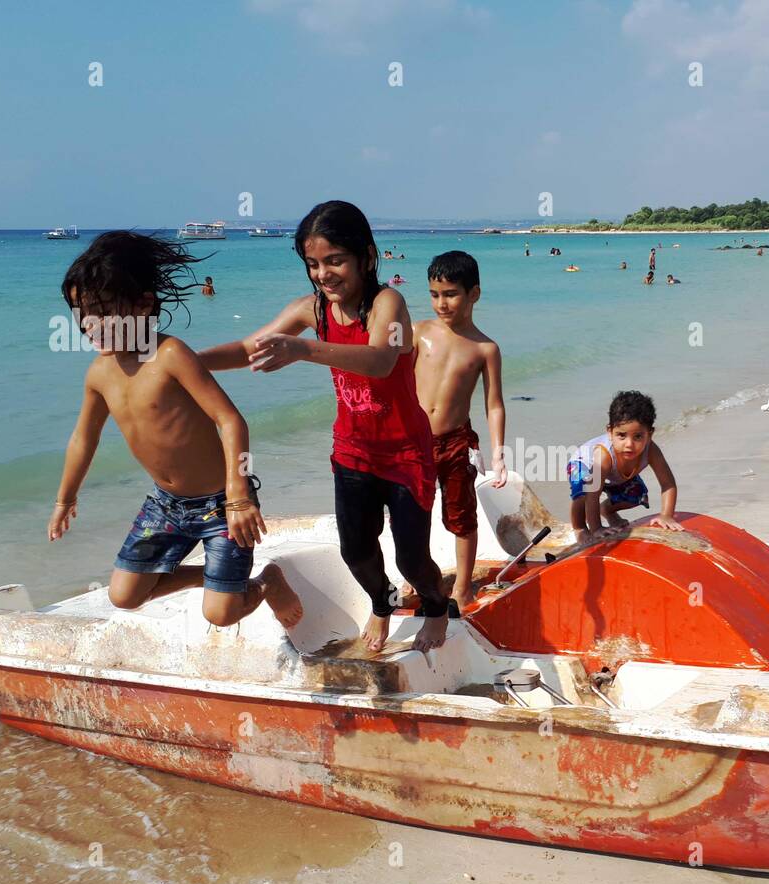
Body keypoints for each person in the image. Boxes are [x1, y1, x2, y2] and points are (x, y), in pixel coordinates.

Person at [198, 200, 449, 653]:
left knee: (412, 558)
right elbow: (247, 347)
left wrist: (304, 350)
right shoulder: (310, 310)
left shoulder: (386, 303)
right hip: (352, 451)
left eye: (335, 260)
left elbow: (380, 359)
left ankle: (436, 604)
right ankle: (382, 601)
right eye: (313, 264)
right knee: (356, 551)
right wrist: (186, 364)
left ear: (366, 257)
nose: (323, 274)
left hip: (406, 453)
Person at [48, 231, 303, 632]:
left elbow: (231, 420)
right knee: (125, 595)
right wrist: (65, 499)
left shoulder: (170, 355)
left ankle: (266, 583)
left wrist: (238, 497)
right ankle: (221, 580)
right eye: (81, 312)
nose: (89, 323)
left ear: (143, 303)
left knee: (221, 614)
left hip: (222, 503)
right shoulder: (99, 373)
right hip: (165, 506)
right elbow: (84, 438)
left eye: (101, 310)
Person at [412, 251, 507, 610]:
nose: (441, 303)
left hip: (457, 442)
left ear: (474, 294)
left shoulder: (485, 348)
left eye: (450, 294)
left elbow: (493, 404)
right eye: (434, 294)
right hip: (414, 443)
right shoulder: (419, 333)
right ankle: (423, 580)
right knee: (413, 515)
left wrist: (498, 454)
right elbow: (392, 379)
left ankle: (463, 588)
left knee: (461, 515)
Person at [566, 391, 681, 541]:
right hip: (583, 465)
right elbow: (592, 493)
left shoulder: (651, 450)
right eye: (621, 435)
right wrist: (597, 529)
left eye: (638, 437)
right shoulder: (603, 455)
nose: (629, 445)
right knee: (584, 490)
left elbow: (668, 484)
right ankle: (579, 527)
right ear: (610, 432)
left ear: (650, 434)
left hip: (614, 474)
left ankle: (607, 510)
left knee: (637, 494)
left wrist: (666, 515)